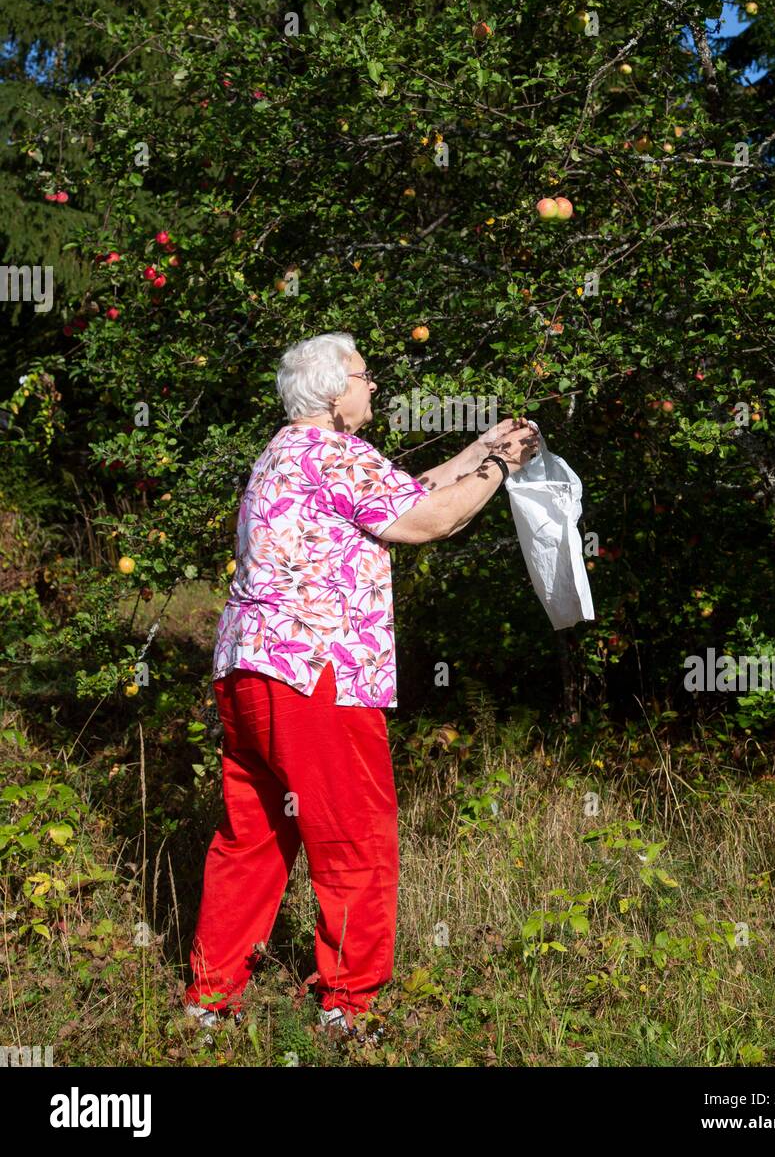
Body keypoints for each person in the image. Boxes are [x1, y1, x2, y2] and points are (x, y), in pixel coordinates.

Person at [183, 331, 539, 1039]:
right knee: (354, 835)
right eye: (363, 376)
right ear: (330, 389)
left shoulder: (287, 452)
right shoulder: (335, 454)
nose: (372, 386)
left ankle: (210, 998)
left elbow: (404, 493)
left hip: (251, 668)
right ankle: (348, 1007)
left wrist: (478, 451)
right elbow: (428, 519)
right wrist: (500, 466)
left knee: (252, 835)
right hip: (317, 673)